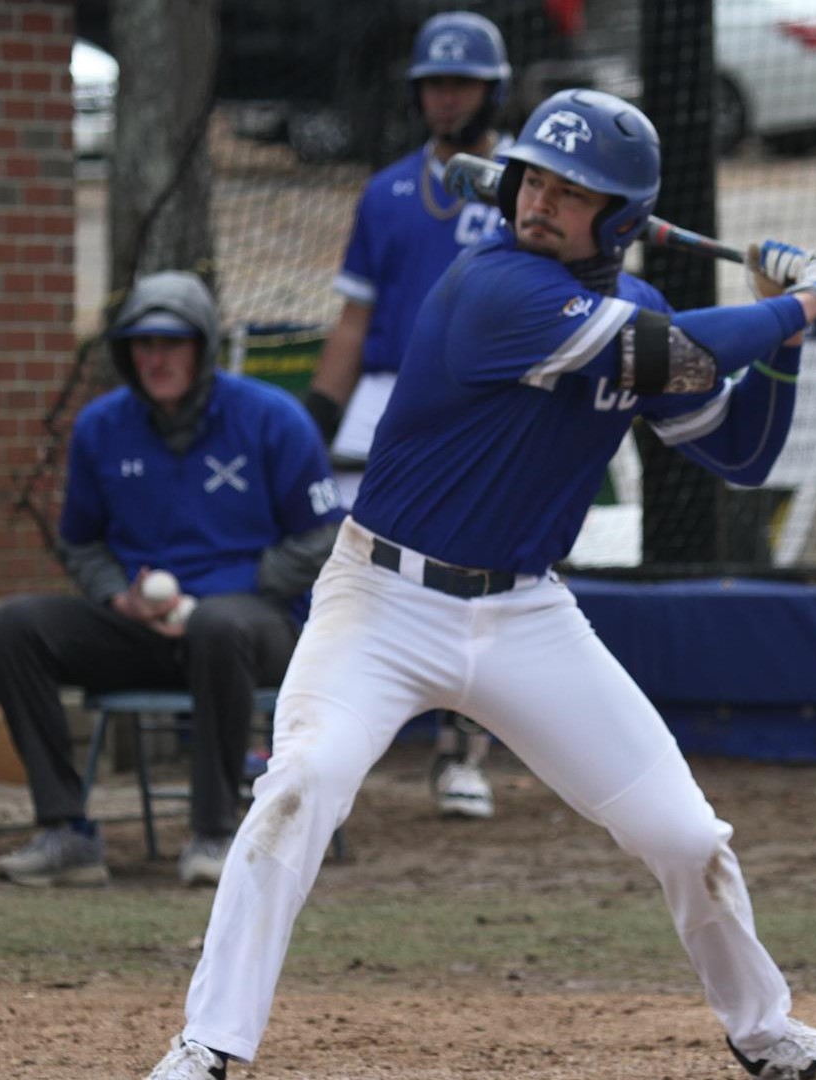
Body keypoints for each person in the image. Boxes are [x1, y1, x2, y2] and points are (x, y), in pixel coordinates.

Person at [141, 89, 816, 1080]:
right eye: (534, 179)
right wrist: (807, 299)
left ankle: (765, 1030)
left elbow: (742, 455)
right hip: (382, 600)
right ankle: (207, 1045)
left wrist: (785, 342)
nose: (539, 201)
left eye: (571, 192)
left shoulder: (637, 309)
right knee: (302, 784)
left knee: (685, 833)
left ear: (620, 219)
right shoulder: (491, 286)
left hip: (526, 612)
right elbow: (671, 352)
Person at [0, 271, 345, 887]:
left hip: (252, 623)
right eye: (143, 344)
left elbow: (325, 537)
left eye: (173, 343)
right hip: (143, 630)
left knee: (217, 626)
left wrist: (240, 582)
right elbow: (81, 542)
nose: (157, 358)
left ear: (203, 346)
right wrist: (115, 597)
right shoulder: (100, 428)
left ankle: (214, 834)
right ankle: (66, 832)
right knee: (12, 626)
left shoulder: (272, 418)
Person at [309, 10, 516, 820]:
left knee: (478, 571)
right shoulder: (386, 191)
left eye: (461, 83)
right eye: (434, 83)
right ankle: (328, 740)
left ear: (491, 91)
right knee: (344, 560)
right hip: (384, 394)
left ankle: (463, 750)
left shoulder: (531, 191)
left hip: (483, 403)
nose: (445, 98)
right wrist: (318, 415)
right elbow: (352, 321)